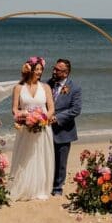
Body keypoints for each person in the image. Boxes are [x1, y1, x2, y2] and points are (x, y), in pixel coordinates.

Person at [9, 56, 55, 201]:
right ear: (30, 70)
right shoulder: (18, 88)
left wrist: (42, 119)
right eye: (37, 69)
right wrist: (23, 117)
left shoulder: (46, 87)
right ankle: (23, 188)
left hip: (42, 128)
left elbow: (51, 108)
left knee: (40, 157)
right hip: (25, 129)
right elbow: (15, 109)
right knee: (25, 157)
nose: (39, 72)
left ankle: (39, 189)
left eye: (41, 70)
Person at [47, 58, 82, 196]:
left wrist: (57, 118)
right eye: (54, 68)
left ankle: (57, 188)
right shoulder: (47, 84)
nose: (54, 71)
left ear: (66, 73)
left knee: (61, 162)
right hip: (46, 130)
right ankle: (47, 185)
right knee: (47, 160)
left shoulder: (75, 88)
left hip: (64, 131)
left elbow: (76, 109)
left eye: (57, 70)